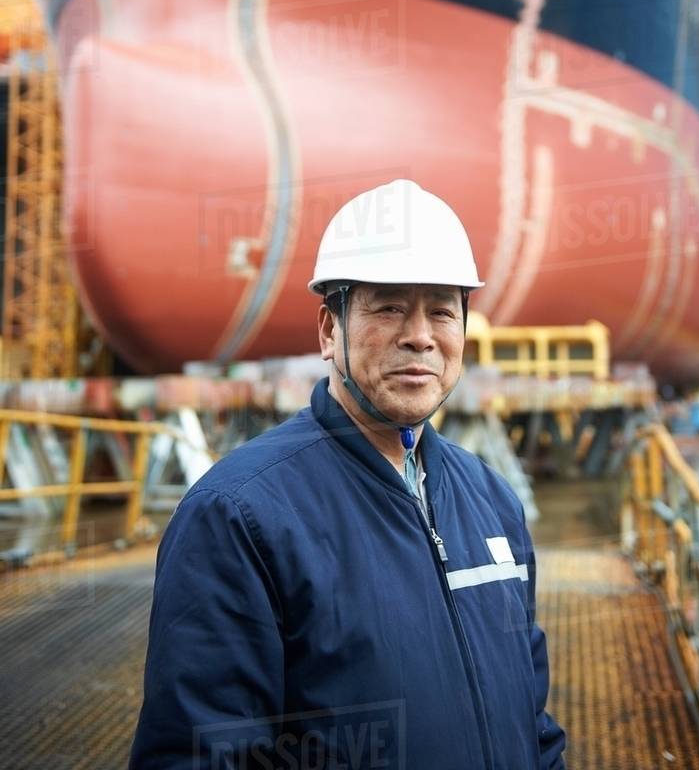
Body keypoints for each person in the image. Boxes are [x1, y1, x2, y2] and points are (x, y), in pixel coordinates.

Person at [129, 179, 566, 769]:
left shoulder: (491, 500)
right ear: (329, 329)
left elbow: (530, 724)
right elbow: (200, 755)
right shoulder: (239, 515)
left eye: (442, 309)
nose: (420, 335)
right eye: (389, 307)